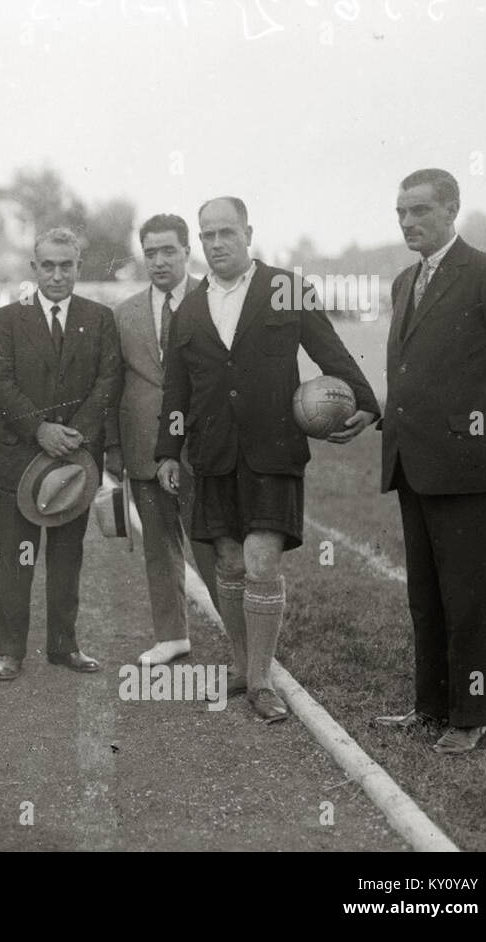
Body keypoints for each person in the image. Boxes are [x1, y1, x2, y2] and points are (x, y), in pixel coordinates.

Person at [155, 197, 379, 722]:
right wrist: (167, 450)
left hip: (273, 449)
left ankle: (260, 680)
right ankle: (242, 664)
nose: (216, 243)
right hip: (213, 452)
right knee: (230, 563)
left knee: (260, 560)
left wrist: (366, 403)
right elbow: (175, 389)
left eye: (226, 233)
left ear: (249, 232)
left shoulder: (286, 287)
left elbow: (332, 350)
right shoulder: (189, 305)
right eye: (207, 235)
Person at [373, 169, 486, 754]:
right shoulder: (402, 282)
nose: (409, 222)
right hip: (414, 464)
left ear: (452, 208)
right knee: (426, 594)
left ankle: (472, 715)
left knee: (467, 596)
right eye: (401, 212)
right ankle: (431, 707)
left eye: (420, 211)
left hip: (465, 467)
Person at [0, 227, 121, 681]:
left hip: (75, 460)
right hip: (21, 458)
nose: (57, 274)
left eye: (67, 265)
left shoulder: (99, 318)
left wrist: (73, 434)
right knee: (18, 557)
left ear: (79, 267)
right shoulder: (7, 319)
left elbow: (108, 381)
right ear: (34, 268)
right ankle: (11, 651)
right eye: (48, 265)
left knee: (67, 557)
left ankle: (64, 646)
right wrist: (39, 429)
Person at [105, 214, 219, 666]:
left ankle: (242, 634)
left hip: (202, 450)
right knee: (158, 545)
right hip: (143, 447)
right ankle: (172, 636)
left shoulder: (213, 301)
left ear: (187, 251)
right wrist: (113, 448)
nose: (158, 261)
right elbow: (114, 385)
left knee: (211, 544)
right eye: (150, 252)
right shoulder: (125, 313)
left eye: (168, 250)